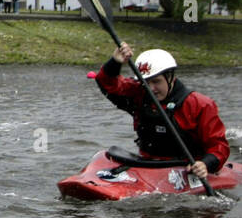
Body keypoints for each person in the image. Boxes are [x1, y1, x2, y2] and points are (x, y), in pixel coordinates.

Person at [96, 42, 229, 179]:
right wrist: (114, 63)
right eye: (146, 82)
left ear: (170, 77)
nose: (151, 88)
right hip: (148, 164)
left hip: (186, 167)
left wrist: (205, 164)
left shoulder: (199, 104)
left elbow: (219, 146)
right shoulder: (139, 93)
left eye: (156, 81)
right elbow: (108, 85)